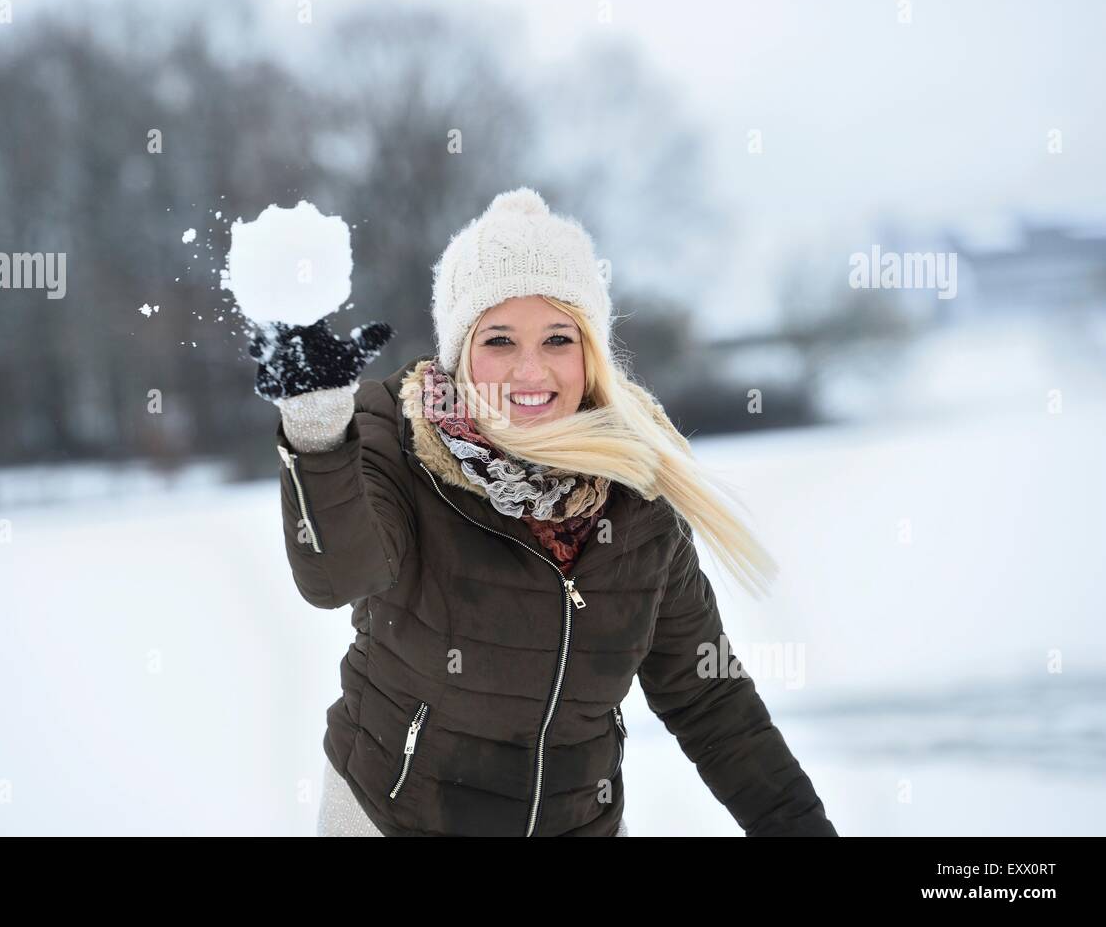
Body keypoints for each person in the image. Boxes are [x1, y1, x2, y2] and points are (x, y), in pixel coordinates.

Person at [247, 186, 837, 837]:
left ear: (590, 354)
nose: (531, 371)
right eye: (500, 339)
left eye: (557, 337)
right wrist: (318, 430)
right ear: (460, 351)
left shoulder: (638, 489)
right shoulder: (398, 435)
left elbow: (710, 699)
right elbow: (339, 574)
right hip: (392, 818)